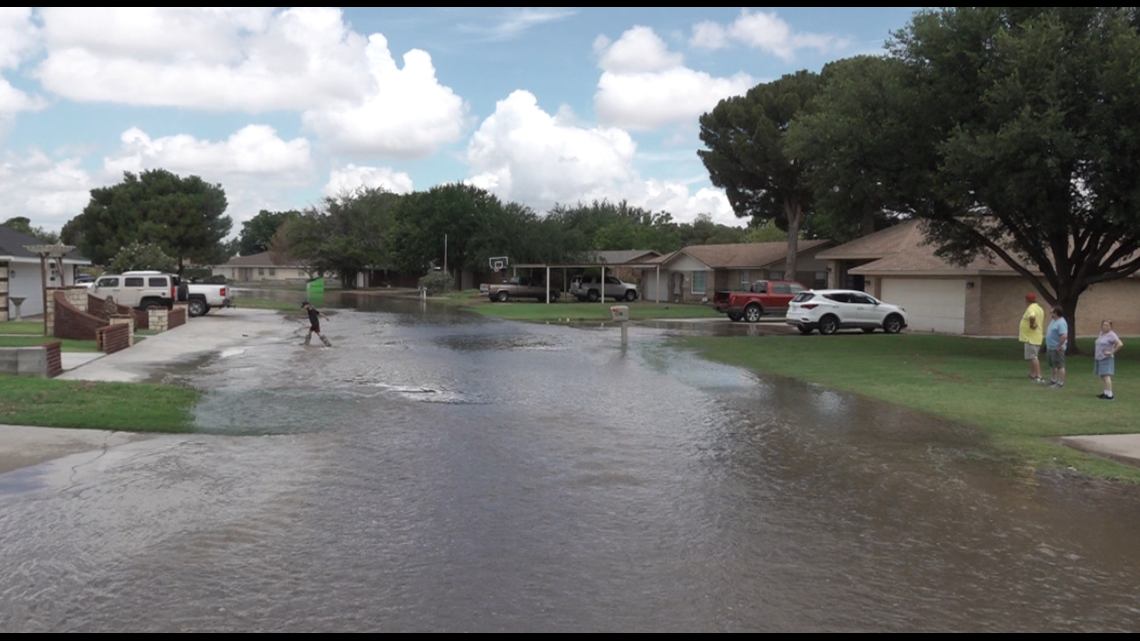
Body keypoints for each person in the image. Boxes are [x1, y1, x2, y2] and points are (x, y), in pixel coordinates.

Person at [1094, 319, 1124, 400]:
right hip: (1099, 358)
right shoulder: (1102, 334)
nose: (1105, 326)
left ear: (1110, 326)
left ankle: (1110, 395)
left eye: (1107, 325)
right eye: (1104, 325)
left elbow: (1120, 344)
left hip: (1106, 358)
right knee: (1103, 375)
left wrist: (1111, 352)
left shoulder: (1112, 335)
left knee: (1107, 376)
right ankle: (1106, 392)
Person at [1019, 293, 1046, 382]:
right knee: (1032, 356)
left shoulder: (1031, 308)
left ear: (1027, 301)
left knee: (1034, 357)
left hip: (1031, 337)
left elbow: (1032, 316)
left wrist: (1032, 324)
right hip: (1036, 336)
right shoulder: (1039, 308)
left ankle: (1039, 376)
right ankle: (1033, 374)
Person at [1045, 305, 1068, 388]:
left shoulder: (1061, 322)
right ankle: (1053, 380)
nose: (1051, 313)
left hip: (1057, 348)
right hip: (1050, 347)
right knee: (1052, 365)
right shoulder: (1053, 321)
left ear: (1056, 313)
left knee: (1060, 365)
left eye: (1052, 312)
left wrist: (1059, 345)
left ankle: (1060, 383)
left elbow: (1064, 335)